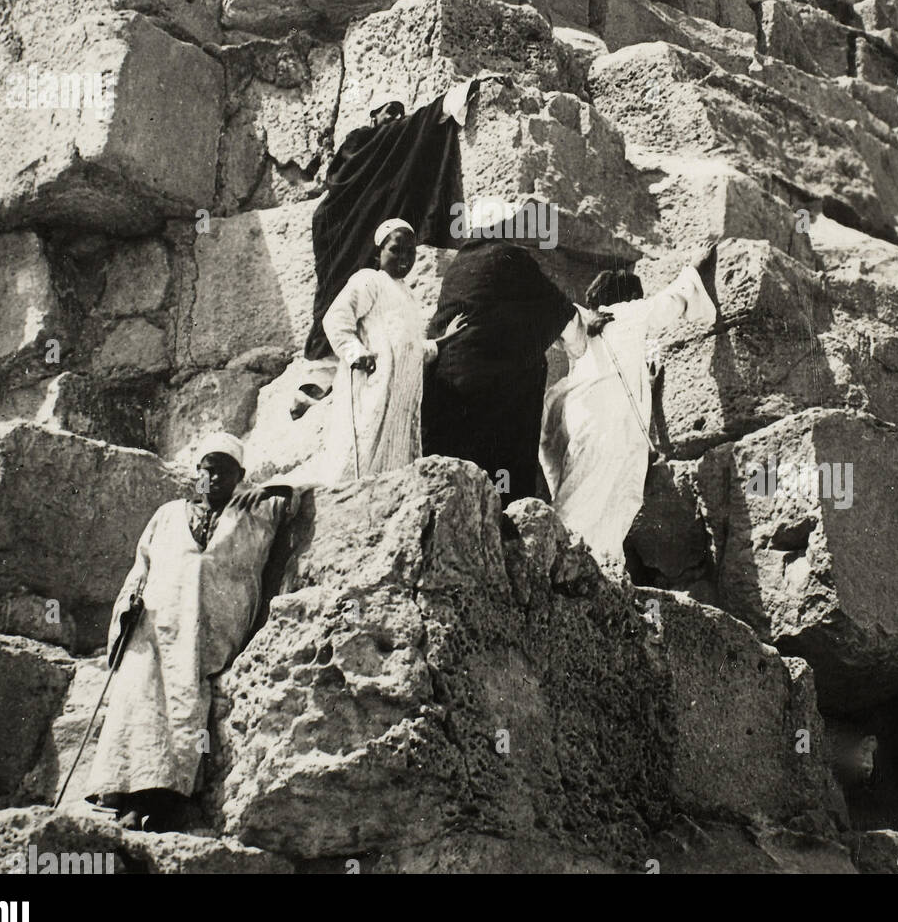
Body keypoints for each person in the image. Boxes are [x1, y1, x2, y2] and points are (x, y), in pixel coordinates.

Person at [86, 433, 300, 831]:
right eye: (207, 469)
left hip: (209, 627)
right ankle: (123, 795)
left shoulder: (257, 510)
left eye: (223, 470)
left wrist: (259, 491)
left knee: (186, 704)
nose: (213, 476)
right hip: (154, 622)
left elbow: (300, 492)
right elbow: (141, 568)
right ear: (196, 474)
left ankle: (160, 802)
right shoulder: (168, 514)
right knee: (138, 699)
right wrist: (128, 606)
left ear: (240, 475)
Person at [295, 76, 504, 412]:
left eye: (400, 112)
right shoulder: (360, 142)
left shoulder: (394, 148)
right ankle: (320, 371)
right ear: (374, 115)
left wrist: (448, 105)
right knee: (335, 293)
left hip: (370, 232)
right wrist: (437, 109)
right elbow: (356, 169)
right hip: (341, 227)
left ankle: (337, 366)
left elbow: (409, 145)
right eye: (388, 111)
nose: (395, 118)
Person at [539, 242, 720, 566]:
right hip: (604, 422)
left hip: (583, 415)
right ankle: (560, 561)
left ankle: (585, 565)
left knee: (588, 488)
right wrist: (695, 267)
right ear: (629, 297)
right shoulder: (626, 314)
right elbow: (672, 301)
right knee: (604, 496)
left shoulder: (588, 326)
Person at [423, 207, 606, 501]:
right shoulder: (510, 258)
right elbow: (555, 309)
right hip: (490, 391)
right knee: (500, 473)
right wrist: (583, 334)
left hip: (445, 388)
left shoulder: (460, 264)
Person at [317, 219, 467, 484]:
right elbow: (336, 318)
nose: (404, 258)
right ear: (379, 253)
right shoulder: (369, 280)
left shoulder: (408, 296)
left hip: (400, 397)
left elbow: (412, 348)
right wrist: (355, 352)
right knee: (358, 456)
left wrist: (444, 340)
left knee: (392, 464)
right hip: (371, 386)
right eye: (396, 250)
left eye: (410, 252)